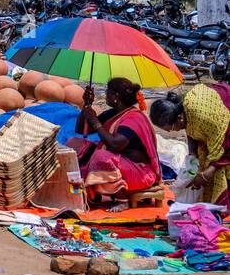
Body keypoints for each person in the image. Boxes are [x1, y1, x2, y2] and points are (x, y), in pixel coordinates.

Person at [69, 78, 162, 207]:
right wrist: (86, 105)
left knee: (101, 157)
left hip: (140, 173)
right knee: (75, 143)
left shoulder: (134, 118)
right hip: (121, 168)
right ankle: (93, 193)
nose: (105, 94)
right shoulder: (112, 113)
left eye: (108, 91)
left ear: (115, 96)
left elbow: (115, 144)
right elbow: (80, 129)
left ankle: (122, 199)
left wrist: (95, 122)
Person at [151, 84, 230, 208]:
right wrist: (192, 153)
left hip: (226, 129)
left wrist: (207, 173)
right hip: (217, 131)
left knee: (218, 173)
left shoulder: (203, 117)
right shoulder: (186, 113)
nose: (172, 132)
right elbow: (191, 129)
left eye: (171, 129)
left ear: (179, 118)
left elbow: (225, 144)